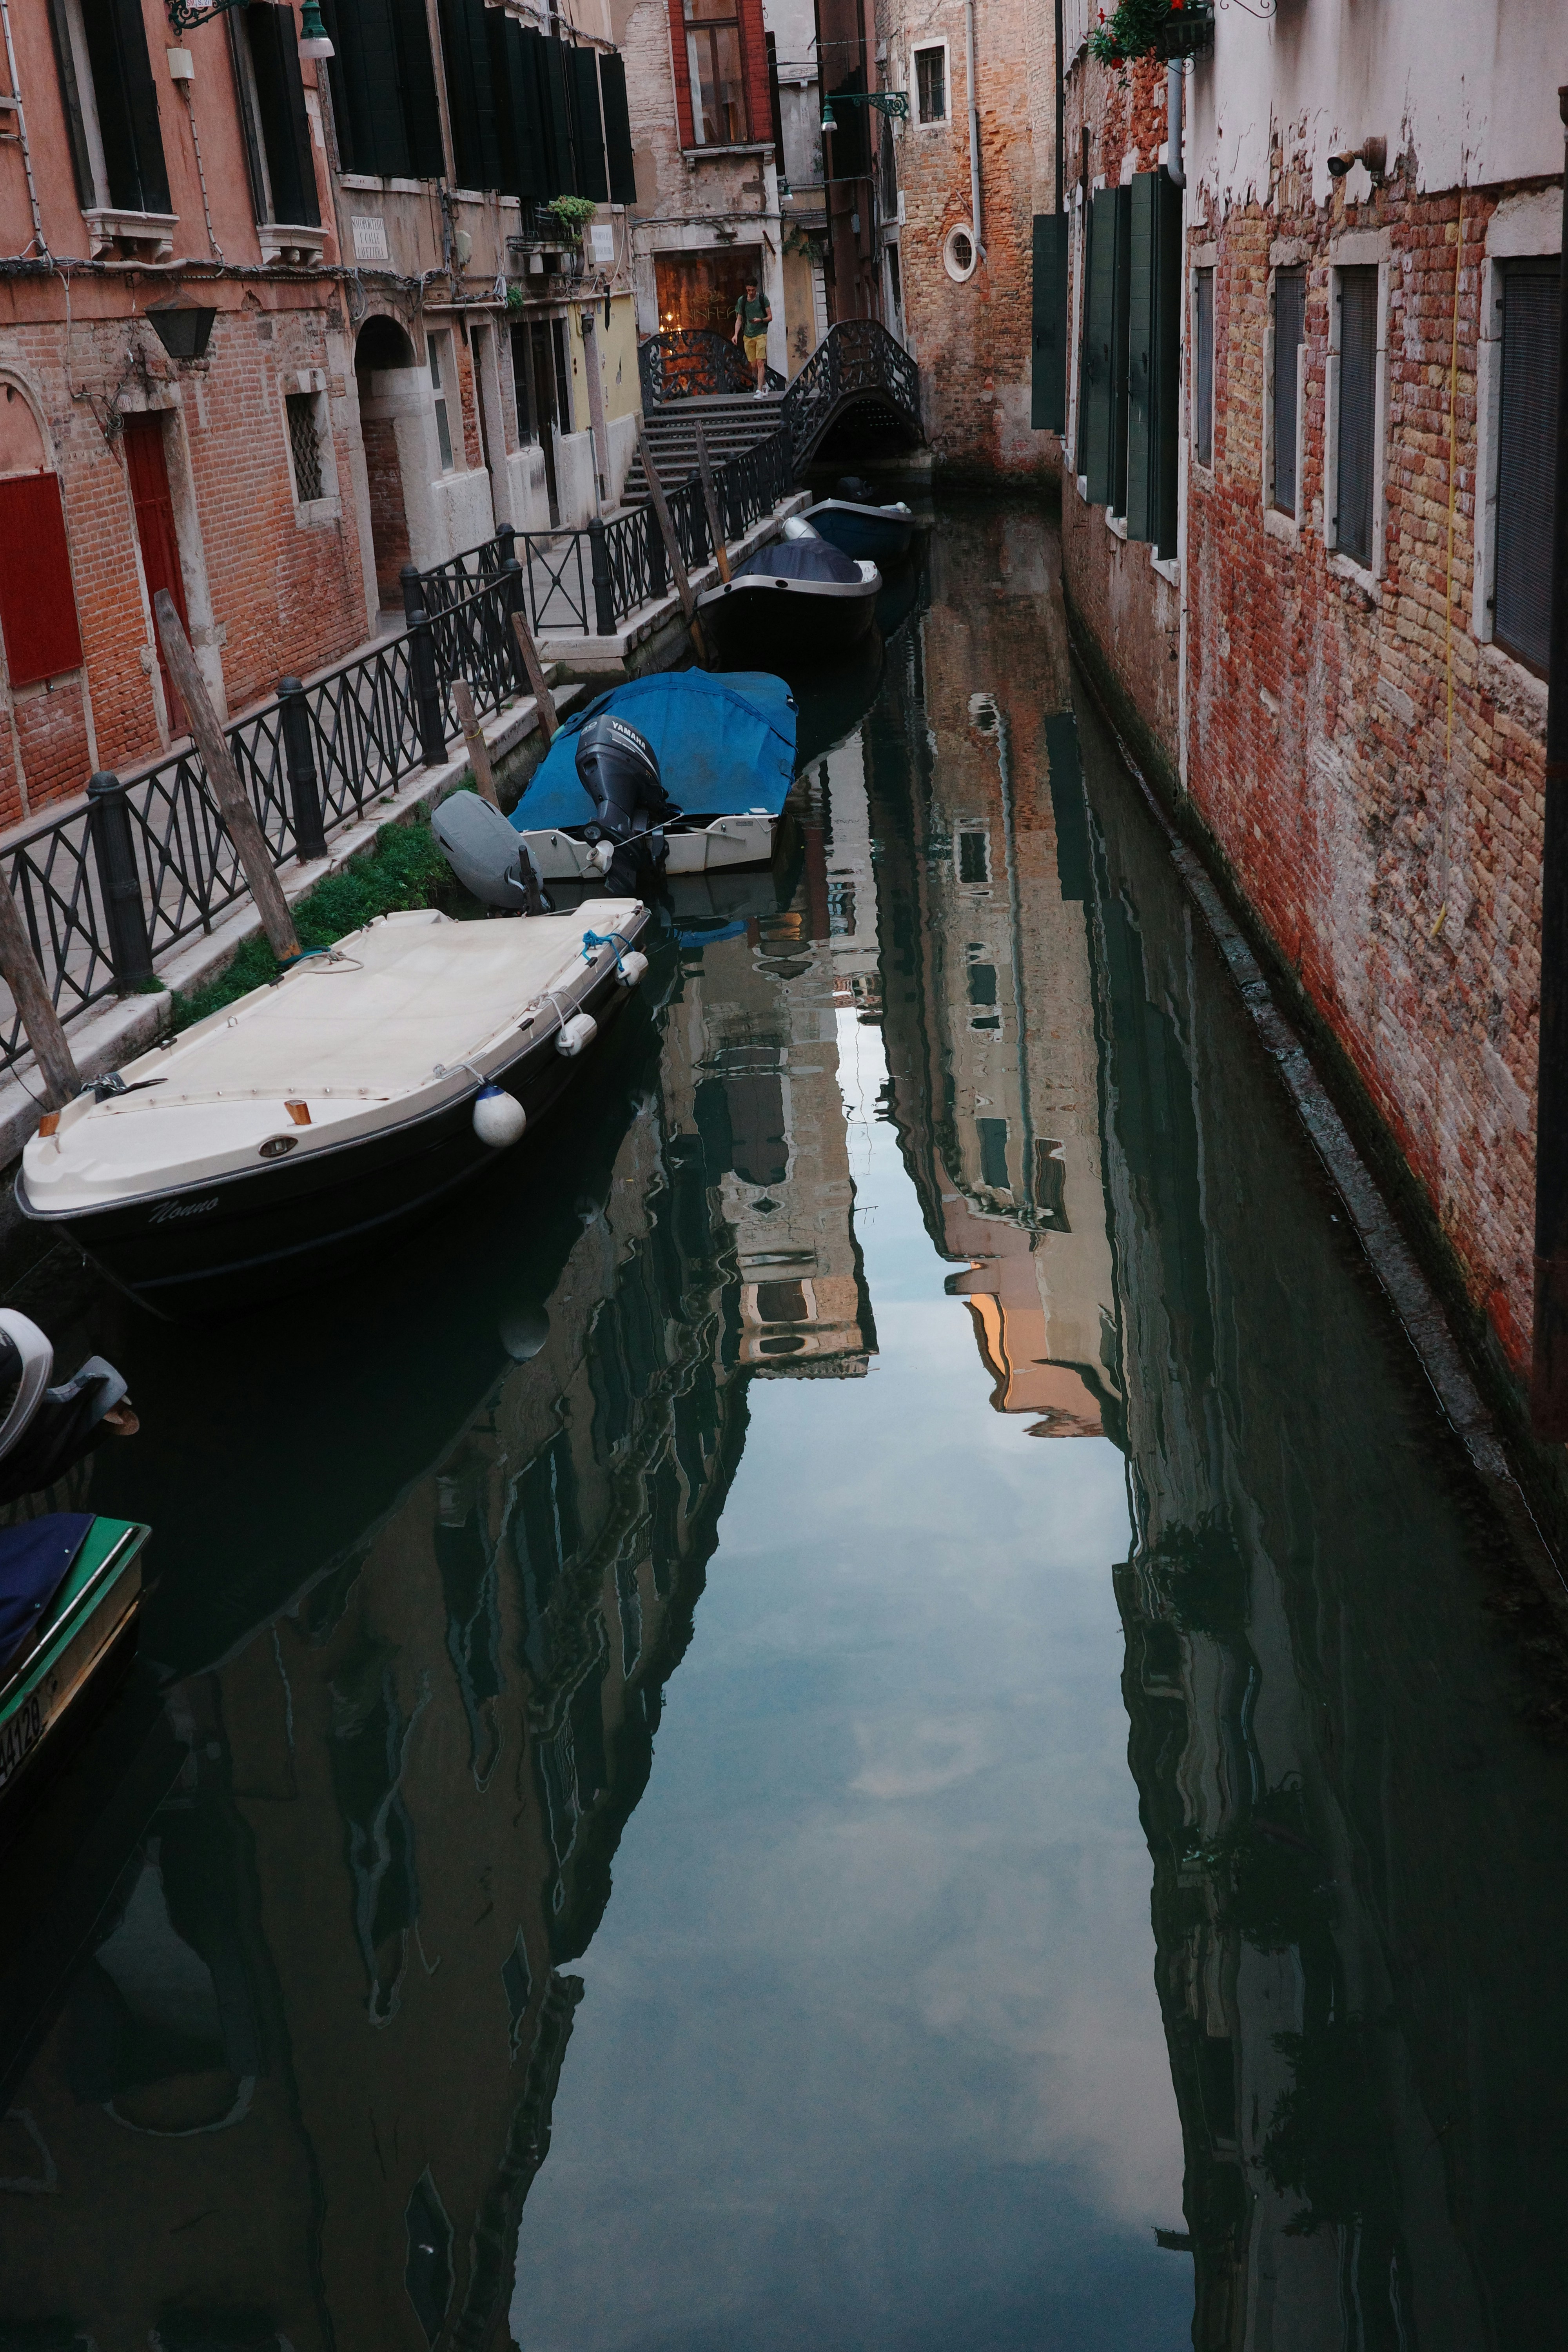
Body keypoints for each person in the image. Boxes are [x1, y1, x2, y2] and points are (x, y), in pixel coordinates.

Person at [732, 276, 773, 393]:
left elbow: (770, 317)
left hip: (761, 334)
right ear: (746, 289)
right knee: (753, 364)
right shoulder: (742, 301)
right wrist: (736, 335)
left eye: (753, 290)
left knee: (760, 362)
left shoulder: (762, 298)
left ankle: (759, 391)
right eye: (749, 290)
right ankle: (764, 384)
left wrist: (761, 320)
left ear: (756, 288)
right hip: (748, 335)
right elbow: (739, 320)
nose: (751, 293)